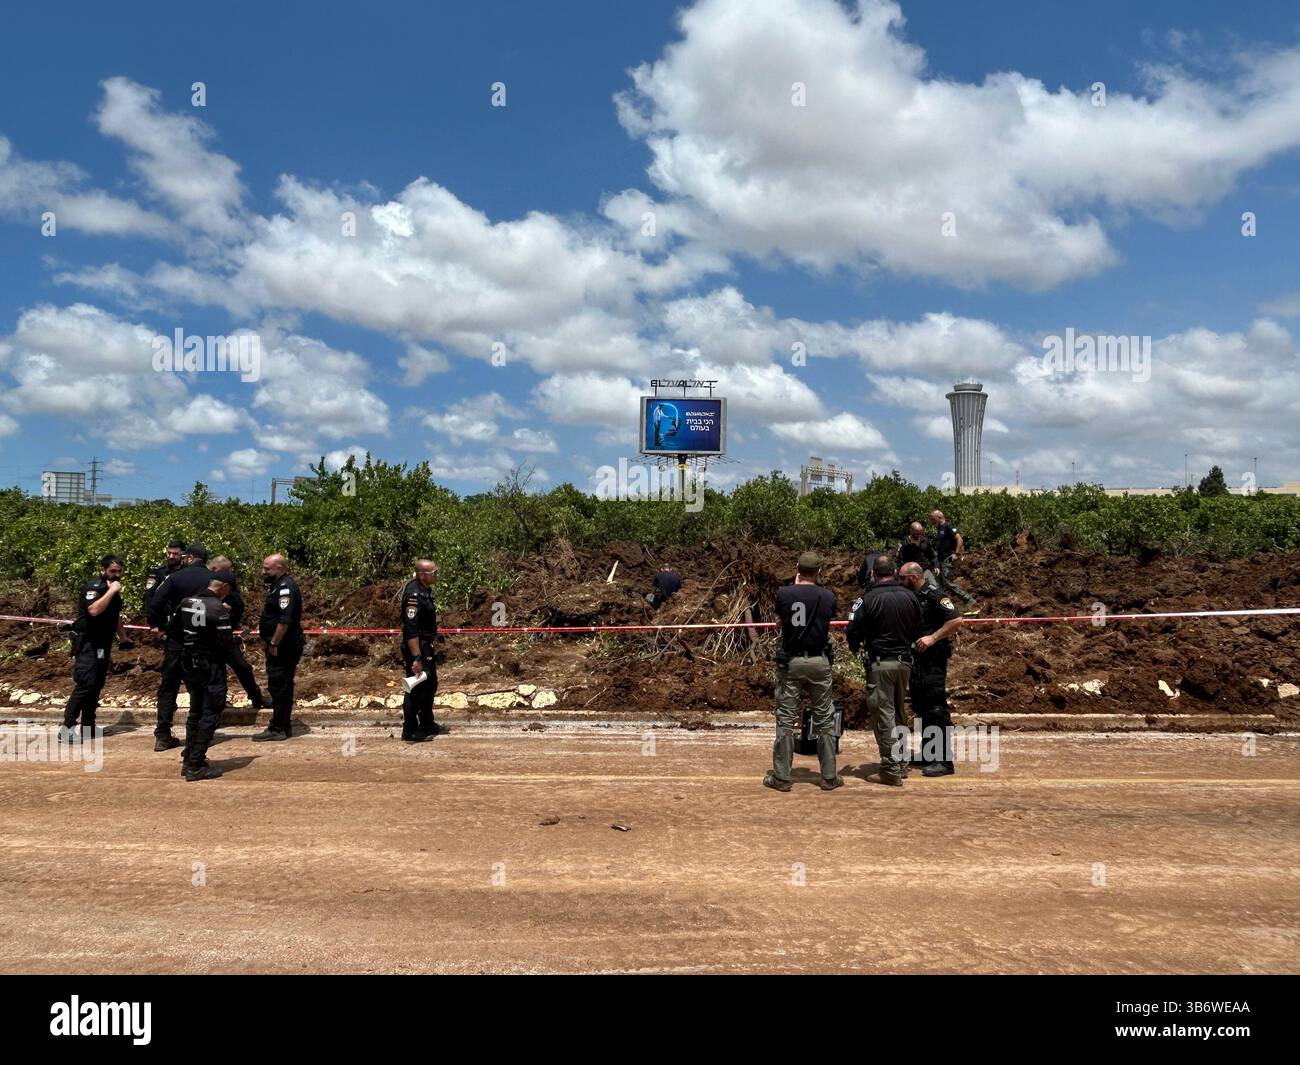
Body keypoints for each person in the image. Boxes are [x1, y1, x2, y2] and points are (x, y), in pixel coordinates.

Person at [764, 551, 840, 792]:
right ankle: (829, 776)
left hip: (792, 663)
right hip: (819, 661)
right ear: (819, 572)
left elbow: (782, 620)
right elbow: (826, 619)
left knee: (785, 720)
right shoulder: (827, 596)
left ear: (797, 569)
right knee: (825, 719)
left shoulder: (784, 593)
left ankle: (782, 777)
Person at [845, 554, 921, 786]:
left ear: (872, 573)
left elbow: (852, 629)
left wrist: (855, 647)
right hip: (904, 662)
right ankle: (901, 763)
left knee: (884, 714)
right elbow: (918, 625)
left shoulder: (866, 599)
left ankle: (890, 768)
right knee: (899, 712)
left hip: (881, 663)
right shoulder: (911, 597)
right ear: (895, 572)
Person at [147, 542, 214, 751]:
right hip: (203, 642)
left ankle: (163, 733)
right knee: (200, 689)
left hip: (176, 641)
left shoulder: (175, 577)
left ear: (191, 557)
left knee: (169, 687)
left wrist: (159, 627)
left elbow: (154, 604)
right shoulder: (213, 579)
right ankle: (196, 736)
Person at [899, 561, 963, 777]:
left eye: (902, 578)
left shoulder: (935, 595)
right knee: (921, 706)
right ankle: (928, 752)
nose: (900, 582)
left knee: (935, 707)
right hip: (918, 660)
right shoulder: (913, 596)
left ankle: (943, 761)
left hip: (933, 659)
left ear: (914, 577)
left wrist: (933, 637)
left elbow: (956, 619)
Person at [62, 555, 132, 742]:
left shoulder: (112, 589)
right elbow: (93, 610)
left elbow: (114, 614)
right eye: (112, 571)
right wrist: (111, 592)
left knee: (96, 684)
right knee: (85, 684)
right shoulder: (94, 587)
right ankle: (67, 728)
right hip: (88, 642)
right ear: (103, 570)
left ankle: (88, 727)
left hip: (103, 643)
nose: (116, 575)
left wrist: (123, 637)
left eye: (119, 572)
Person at [176, 571, 235, 781]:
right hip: (210, 667)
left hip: (188, 664)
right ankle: (194, 764)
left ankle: (189, 760)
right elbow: (226, 643)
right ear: (224, 587)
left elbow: (173, 630)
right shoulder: (218, 608)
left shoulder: (186, 602)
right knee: (211, 712)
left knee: (195, 711)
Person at [254, 554, 303, 741]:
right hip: (280, 645)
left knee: (280, 685)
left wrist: (274, 643)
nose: (263, 572)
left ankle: (279, 728)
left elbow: (284, 621)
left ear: (279, 567)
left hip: (283, 646)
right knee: (278, 685)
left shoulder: (285, 589)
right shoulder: (277, 586)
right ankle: (281, 724)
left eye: (267, 569)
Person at [208, 556, 267, 710]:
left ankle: (256, 697)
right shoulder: (204, 592)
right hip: (210, 639)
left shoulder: (233, 598)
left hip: (226, 639)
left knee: (243, 668)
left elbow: (232, 620)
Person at [399, 559, 446, 742]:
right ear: (421, 575)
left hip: (425, 644)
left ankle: (426, 722)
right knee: (416, 687)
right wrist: (416, 656)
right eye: (433, 572)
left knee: (430, 684)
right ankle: (410, 730)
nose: (436, 575)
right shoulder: (414, 595)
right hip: (417, 646)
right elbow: (411, 629)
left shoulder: (424, 591)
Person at [929, 509, 977, 611]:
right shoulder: (939, 529)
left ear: (939, 517)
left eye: (933, 519)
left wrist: (957, 553)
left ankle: (969, 599)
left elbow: (959, 539)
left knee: (948, 582)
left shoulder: (948, 526)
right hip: (941, 561)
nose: (932, 522)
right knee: (939, 585)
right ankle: (943, 607)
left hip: (948, 558)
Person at [143, 539, 185, 618]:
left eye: (175, 554)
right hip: (162, 619)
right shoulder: (158, 572)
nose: (171, 556)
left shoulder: (187, 572)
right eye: (169, 553)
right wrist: (152, 622)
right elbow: (149, 596)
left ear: (182, 555)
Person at [897, 522, 939, 588]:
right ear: (911, 530)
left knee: (933, 587)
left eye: (920, 533)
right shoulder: (905, 543)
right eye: (916, 533)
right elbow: (900, 560)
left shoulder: (925, 541)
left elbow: (932, 555)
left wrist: (936, 566)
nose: (918, 535)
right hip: (912, 573)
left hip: (925, 570)